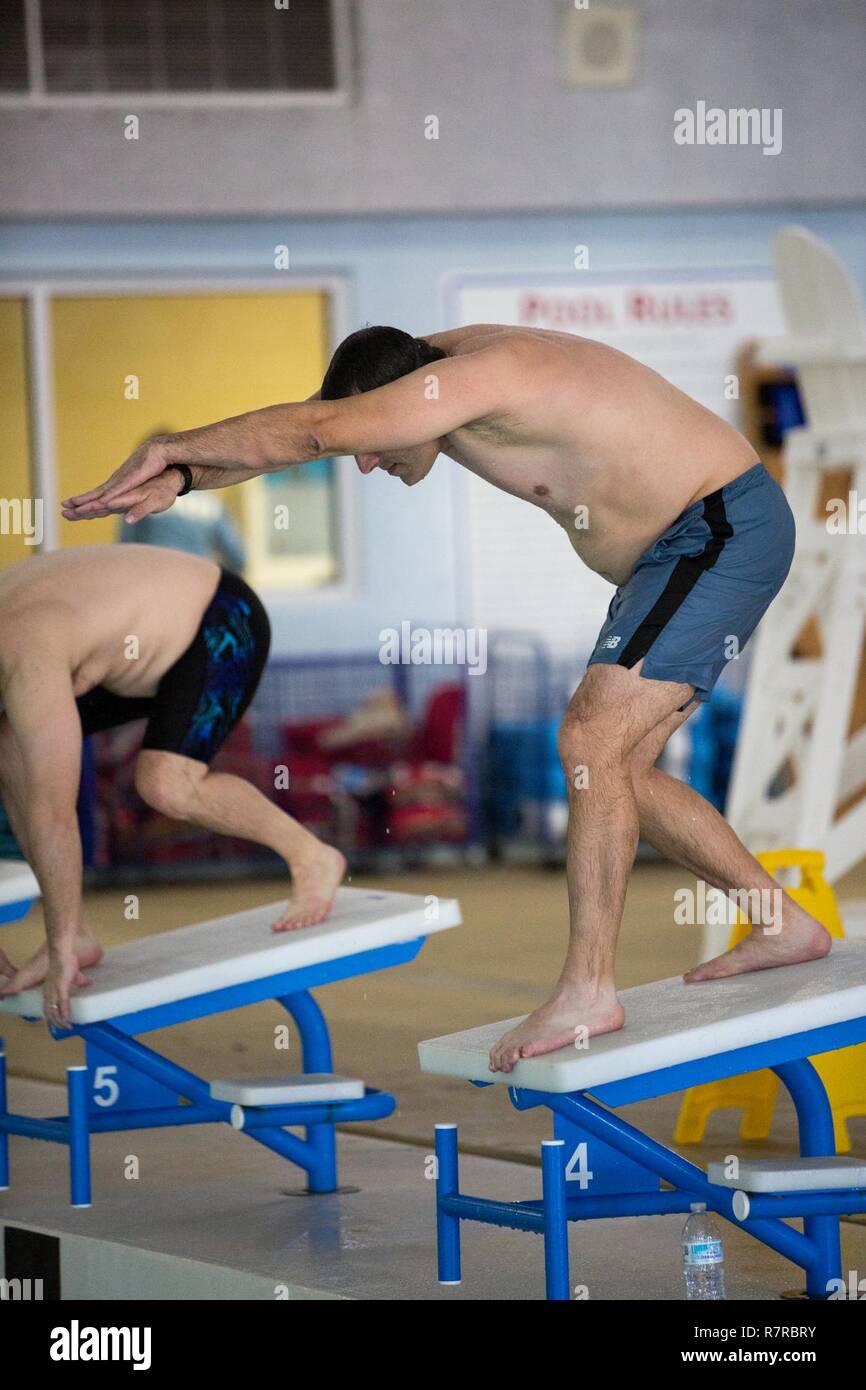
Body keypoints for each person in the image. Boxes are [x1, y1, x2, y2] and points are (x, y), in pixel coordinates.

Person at [62, 323, 831, 1071]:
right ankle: (781, 921)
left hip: (716, 528)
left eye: (374, 445)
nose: (366, 464)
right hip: (678, 553)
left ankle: (590, 991)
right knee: (621, 770)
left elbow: (316, 434)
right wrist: (193, 476)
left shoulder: (472, 379)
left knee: (590, 744)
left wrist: (170, 448)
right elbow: (310, 427)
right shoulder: (420, 363)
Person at [0, 544, 346, 1026]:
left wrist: (57, 953)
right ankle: (76, 931)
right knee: (10, 740)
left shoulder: (23, 652)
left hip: (220, 618)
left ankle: (312, 856)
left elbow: (53, 814)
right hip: (130, 645)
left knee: (166, 784)